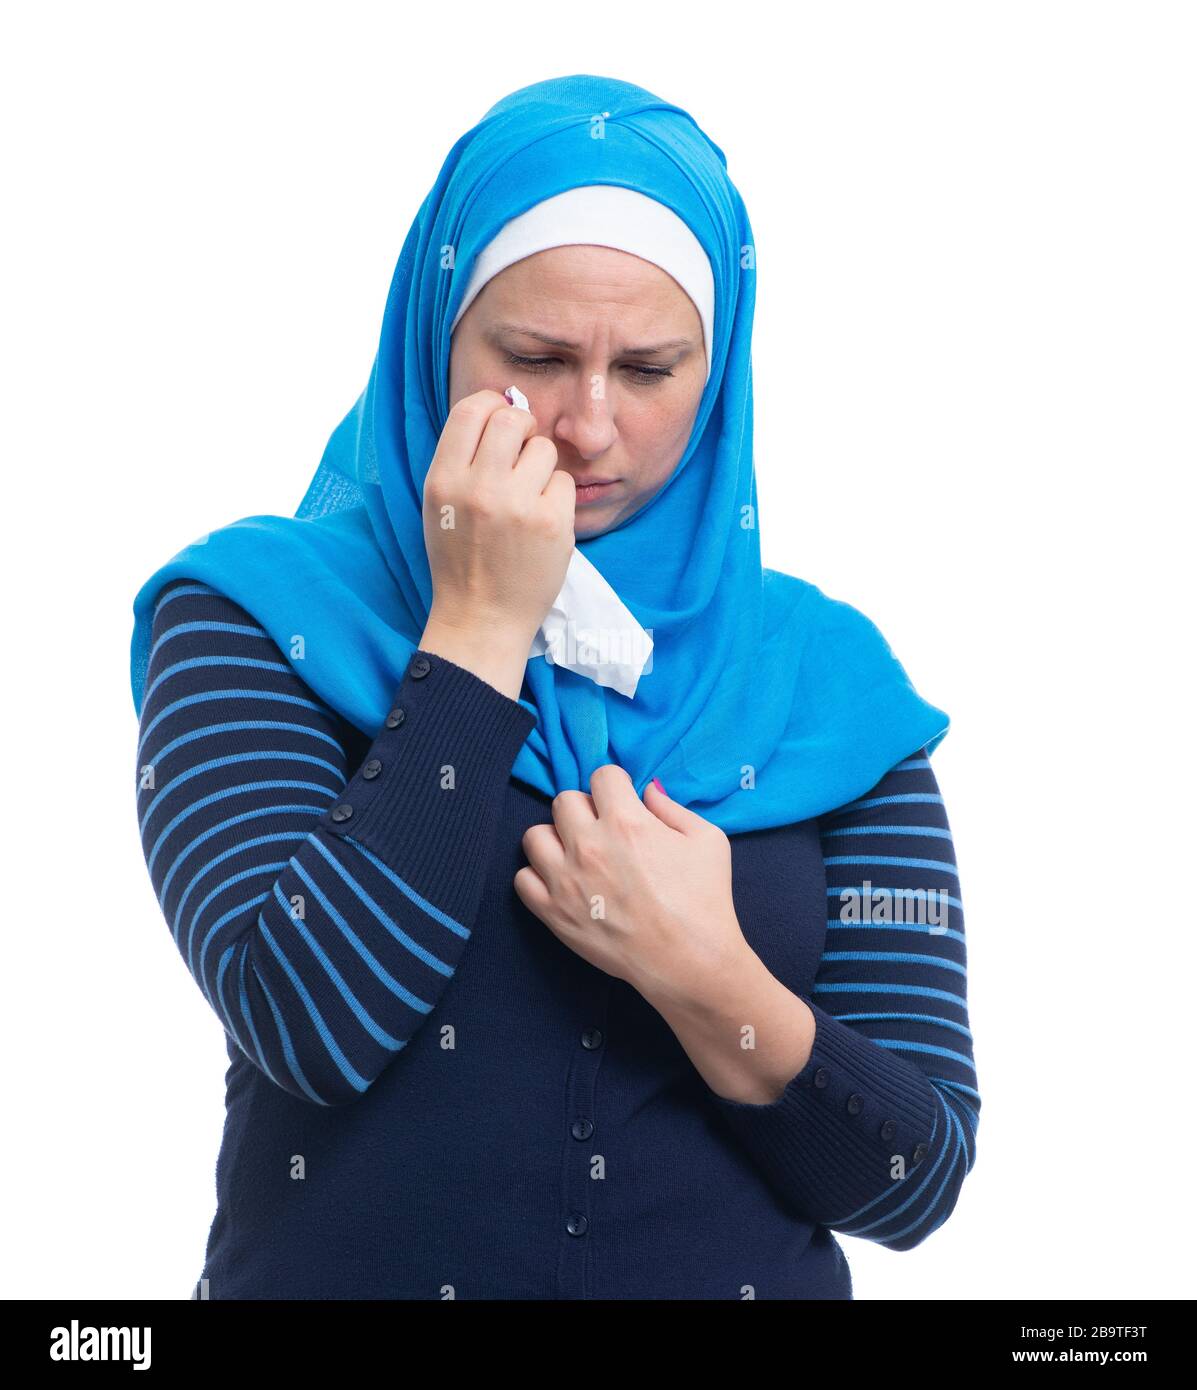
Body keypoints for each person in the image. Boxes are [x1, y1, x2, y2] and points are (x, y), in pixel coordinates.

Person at [130, 73, 980, 1300]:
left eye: (649, 367)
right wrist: (478, 624)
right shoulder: (261, 615)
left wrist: (704, 971)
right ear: (437, 337)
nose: (589, 424)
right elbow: (309, 1020)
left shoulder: (823, 683)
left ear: (722, 368)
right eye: (532, 357)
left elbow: (915, 1176)